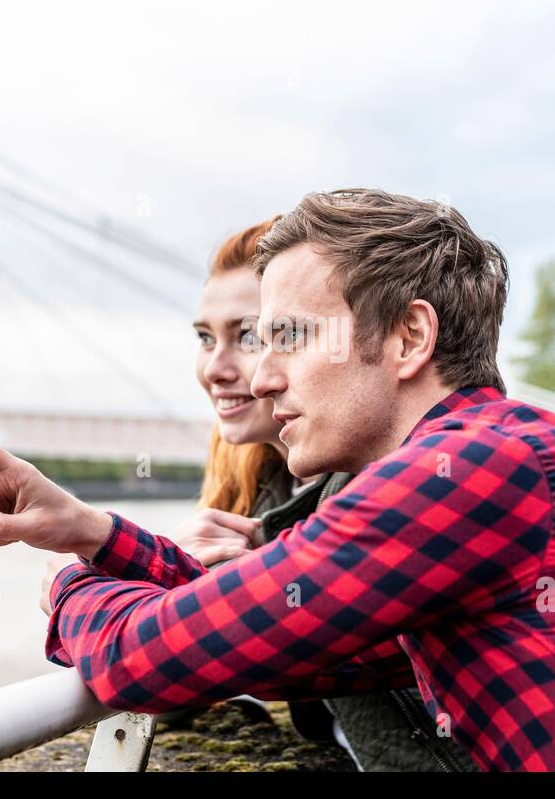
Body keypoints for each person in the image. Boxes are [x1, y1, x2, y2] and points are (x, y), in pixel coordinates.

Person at [0, 188, 555, 771]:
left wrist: (75, 588)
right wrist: (96, 534)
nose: (262, 379)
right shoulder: (511, 455)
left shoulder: (463, 472)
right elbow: (291, 636)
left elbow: (147, 657)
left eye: (290, 338)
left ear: (409, 340)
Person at [134, 216, 476, 770]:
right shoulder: (261, 486)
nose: (216, 370)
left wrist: (102, 580)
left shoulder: (397, 483)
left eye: (255, 336)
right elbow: (171, 688)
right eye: (204, 338)